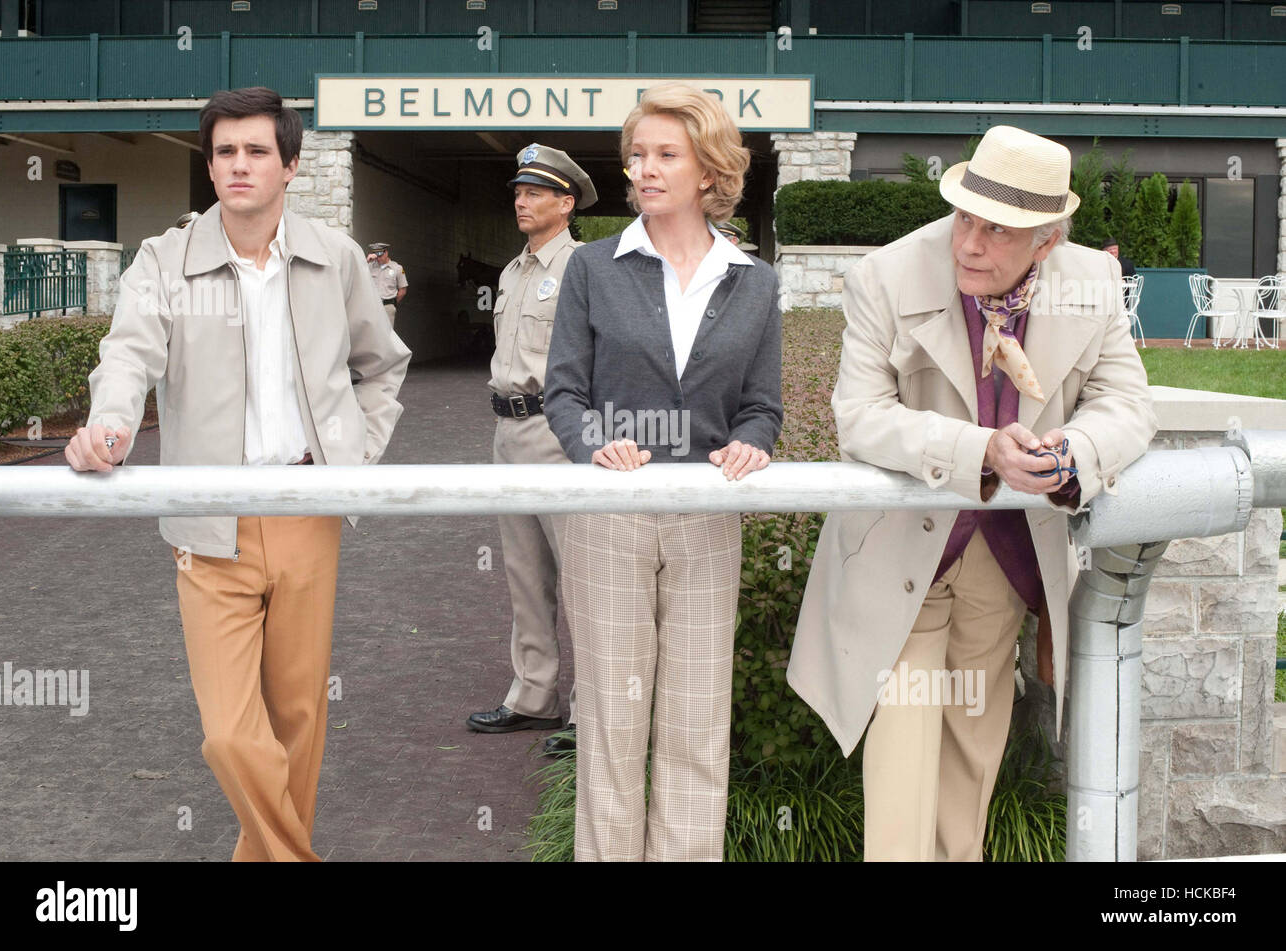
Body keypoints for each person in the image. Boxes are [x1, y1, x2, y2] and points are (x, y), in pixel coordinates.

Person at [788, 125, 1157, 862]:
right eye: (964, 216)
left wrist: (1074, 451)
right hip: (898, 560)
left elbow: (1128, 403)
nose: (969, 243)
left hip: (1007, 562)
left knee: (969, 773)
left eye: (997, 229)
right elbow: (858, 418)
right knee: (901, 774)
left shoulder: (1092, 280)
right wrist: (978, 450)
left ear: (1047, 243)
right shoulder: (886, 275)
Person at [64, 86, 412, 861]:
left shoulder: (335, 258)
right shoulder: (165, 259)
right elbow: (128, 353)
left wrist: (353, 457)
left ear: (290, 165)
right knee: (229, 732)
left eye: (257, 151)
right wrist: (111, 424)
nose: (239, 165)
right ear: (210, 165)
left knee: (297, 719)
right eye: (225, 152)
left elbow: (382, 366)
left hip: (307, 507)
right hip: (207, 517)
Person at [545, 83, 783, 861]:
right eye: (636, 155)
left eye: (664, 155)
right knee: (613, 727)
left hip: (710, 515)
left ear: (709, 169)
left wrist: (754, 442)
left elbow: (762, 405)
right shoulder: (592, 266)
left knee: (694, 726)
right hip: (609, 511)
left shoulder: (754, 281)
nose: (643, 169)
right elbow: (564, 393)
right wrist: (594, 445)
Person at [467, 144, 597, 756]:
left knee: (582, 577)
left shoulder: (585, 268)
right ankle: (534, 695)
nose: (521, 201)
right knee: (523, 573)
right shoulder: (512, 272)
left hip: (557, 430)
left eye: (536, 193)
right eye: (518, 192)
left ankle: (588, 708)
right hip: (507, 429)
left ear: (566, 203)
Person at [367, 241, 408, 326]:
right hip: (372, 306)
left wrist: (392, 303)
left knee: (387, 334)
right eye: (376, 255)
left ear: (386, 253)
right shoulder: (369, 266)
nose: (378, 258)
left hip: (387, 306)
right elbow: (357, 275)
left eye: (380, 255)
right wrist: (366, 261)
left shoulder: (397, 268)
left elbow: (403, 290)